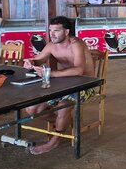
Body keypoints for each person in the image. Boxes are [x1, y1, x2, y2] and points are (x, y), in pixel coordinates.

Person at [22, 16, 96, 155]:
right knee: (32, 109)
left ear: (66, 32)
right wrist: (31, 62)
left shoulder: (76, 44)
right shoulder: (51, 45)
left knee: (63, 106)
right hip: (64, 84)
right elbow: (38, 60)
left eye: (56, 31)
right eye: (50, 30)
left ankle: (54, 142)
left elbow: (79, 70)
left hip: (86, 85)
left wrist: (52, 74)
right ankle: (60, 125)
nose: (52, 34)